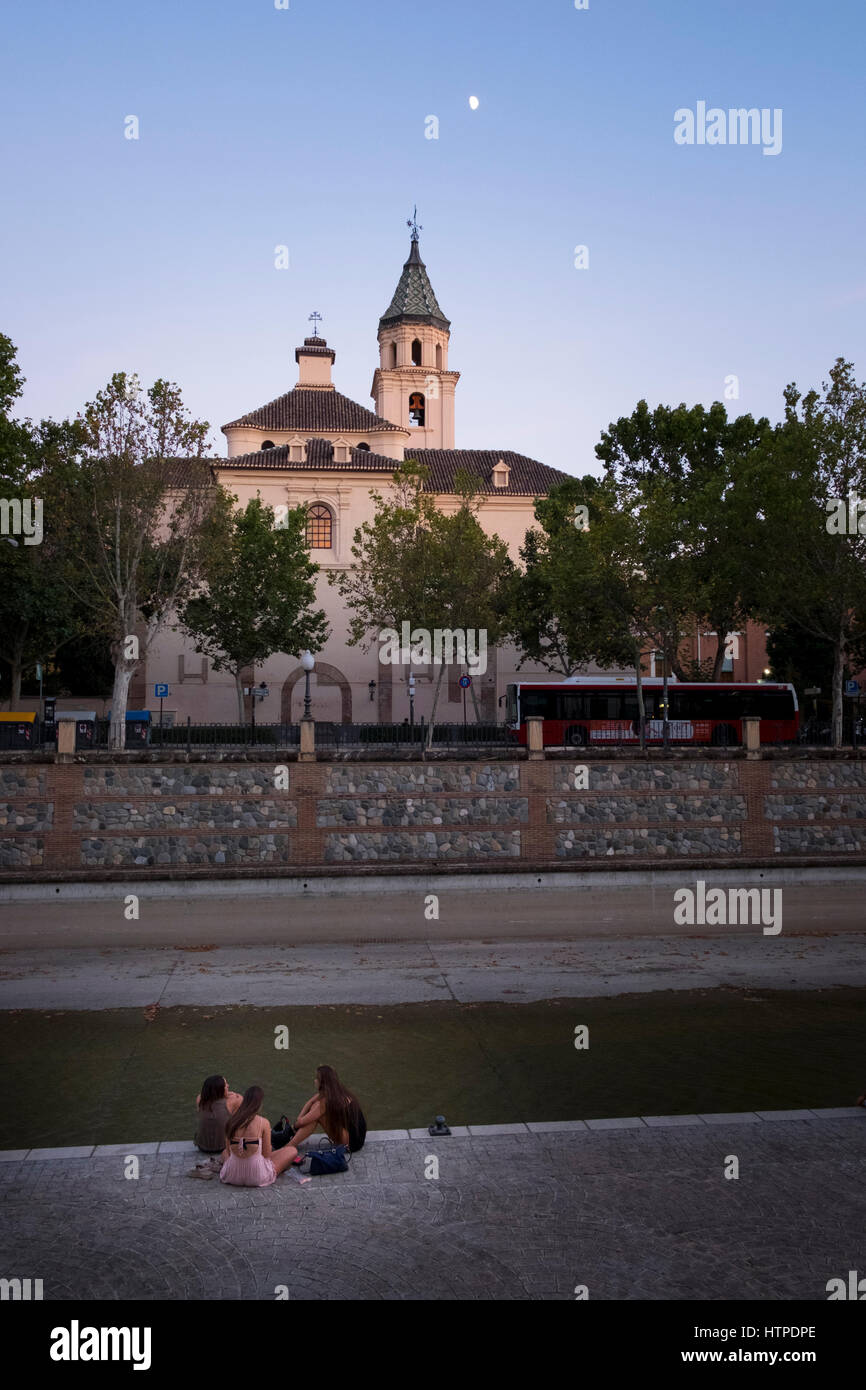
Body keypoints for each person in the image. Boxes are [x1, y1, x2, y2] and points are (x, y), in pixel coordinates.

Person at [274, 1065, 366, 1156]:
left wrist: (294, 1127)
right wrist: (299, 1119)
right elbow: (310, 1102)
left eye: (317, 1079)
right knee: (315, 1108)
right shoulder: (336, 1091)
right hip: (356, 1138)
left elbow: (302, 1122)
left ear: (323, 1083)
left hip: (351, 1144)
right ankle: (290, 1144)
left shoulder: (325, 1102)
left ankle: (288, 1147)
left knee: (317, 1116)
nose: (314, 1081)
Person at [219, 1085, 298, 1188]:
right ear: (260, 1103)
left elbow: (229, 1152)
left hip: (232, 1176)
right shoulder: (263, 1122)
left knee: (224, 1152)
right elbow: (266, 1155)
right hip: (257, 1176)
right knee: (292, 1150)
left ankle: (239, 1167)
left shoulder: (231, 1122)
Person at [194, 1075, 243, 1154]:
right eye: (225, 1085)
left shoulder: (200, 1099)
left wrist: (225, 1094)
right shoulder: (232, 1101)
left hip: (202, 1147)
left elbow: (205, 1095)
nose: (228, 1086)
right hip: (223, 1148)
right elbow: (240, 1098)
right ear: (220, 1090)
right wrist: (231, 1094)